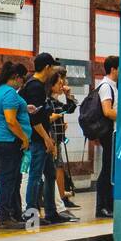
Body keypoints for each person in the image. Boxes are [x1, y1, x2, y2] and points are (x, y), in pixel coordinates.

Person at [19, 53, 77, 225]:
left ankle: (51, 212)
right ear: (46, 68)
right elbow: (34, 118)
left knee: (50, 174)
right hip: (38, 139)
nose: (52, 70)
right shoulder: (35, 87)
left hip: (42, 137)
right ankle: (31, 215)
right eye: (51, 67)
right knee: (35, 176)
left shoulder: (38, 85)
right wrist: (47, 138)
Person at [0, 61, 31, 230]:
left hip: (1, 141)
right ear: (16, 77)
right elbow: (11, 121)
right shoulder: (10, 94)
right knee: (8, 180)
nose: (23, 84)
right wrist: (24, 138)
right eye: (22, 80)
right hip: (10, 142)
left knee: (12, 179)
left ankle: (12, 213)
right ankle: (5, 216)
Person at [45, 71, 79, 210]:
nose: (62, 85)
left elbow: (70, 109)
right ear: (51, 85)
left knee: (59, 167)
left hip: (58, 139)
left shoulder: (57, 102)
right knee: (54, 169)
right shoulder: (48, 102)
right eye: (59, 83)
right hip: (51, 140)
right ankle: (57, 200)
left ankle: (60, 198)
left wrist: (68, 95)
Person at [94, 56, 119, 219]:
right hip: (108, 134)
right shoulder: (105, 86)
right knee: (107, 170)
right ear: (113, 69)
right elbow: (107, 111)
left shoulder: (113, 86)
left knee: (110, 169)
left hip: (114, 133)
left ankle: (109, 204)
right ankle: (101, 206)